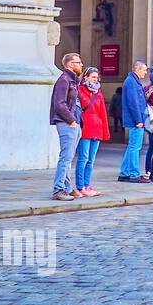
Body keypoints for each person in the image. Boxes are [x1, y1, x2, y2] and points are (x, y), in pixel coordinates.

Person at [49, 52, 83, 201]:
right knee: (65, 158)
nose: (81, 65)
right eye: (78, 62)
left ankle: (67, 188)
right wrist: (71, 120)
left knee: (69, 158)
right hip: (66, 123)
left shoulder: (72, 80)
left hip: (73, 123)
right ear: (70, 64)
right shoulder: (64, 80)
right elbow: (59, 104)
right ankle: (59, 190)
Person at [75, 67, 109, 197]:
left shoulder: (98, 92)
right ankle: (80, 186)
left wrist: (105, 131)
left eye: (96, 77)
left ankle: (87, 185)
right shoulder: (79, 90)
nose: (95, 79)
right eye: (93, 77)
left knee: (91, 160)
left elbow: (103, 113)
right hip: (85, 128)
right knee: (83, 158)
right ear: (86, 77)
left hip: (97, 128)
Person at [119, 61, 150, 183]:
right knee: (135, 148)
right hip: (136, 120)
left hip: (136, 119)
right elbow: (133, 103)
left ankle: (124, 172)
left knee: (132, 147)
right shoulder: (131, 82)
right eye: (144, 70)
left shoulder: (133, 81)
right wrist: (138, 120)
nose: (146, 72)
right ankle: (134, 174)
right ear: (137, 69)